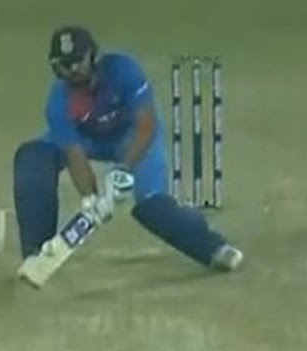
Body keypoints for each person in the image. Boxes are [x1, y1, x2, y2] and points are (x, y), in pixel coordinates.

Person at [14, 25, 242, 286]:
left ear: (93, 56)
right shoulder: (58, 101)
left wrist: (123, 169)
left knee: (150, 205)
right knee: (32, 157)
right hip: (89, 140)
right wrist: (90, 199)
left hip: (132, 136)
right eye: (64, 65)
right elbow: (74, 153)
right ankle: (36, 255)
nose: (72, 70)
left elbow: (146, 124)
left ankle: (213, 248)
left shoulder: (123, 69)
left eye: (77, 61)